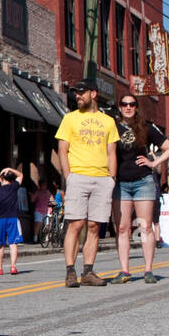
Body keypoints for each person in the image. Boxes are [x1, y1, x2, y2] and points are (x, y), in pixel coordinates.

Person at [55, 79, 118, 288]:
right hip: (78, 176)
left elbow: (111, 152)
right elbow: (62, 149)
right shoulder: (69, 119)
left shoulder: (108, 121)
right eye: (76, 93)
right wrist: (69, 176)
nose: (77, 96)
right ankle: (70, 271)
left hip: (102, 178)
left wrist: (112, 178)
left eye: (81, 92)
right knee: (76, 223)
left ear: (93, 94)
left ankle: (88, 271)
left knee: (94, 226)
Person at [110, 94, 169, 284]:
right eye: (124, 104)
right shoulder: (113, 127)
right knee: (122, 228)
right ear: (119, 107)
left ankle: (148, 270)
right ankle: (124, 271)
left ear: (136, 107)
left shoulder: (145, 127)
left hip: (143, 181)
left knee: (145, 226)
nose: (128, 107)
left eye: (132, 104)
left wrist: (154, 162)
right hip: (120, 183)